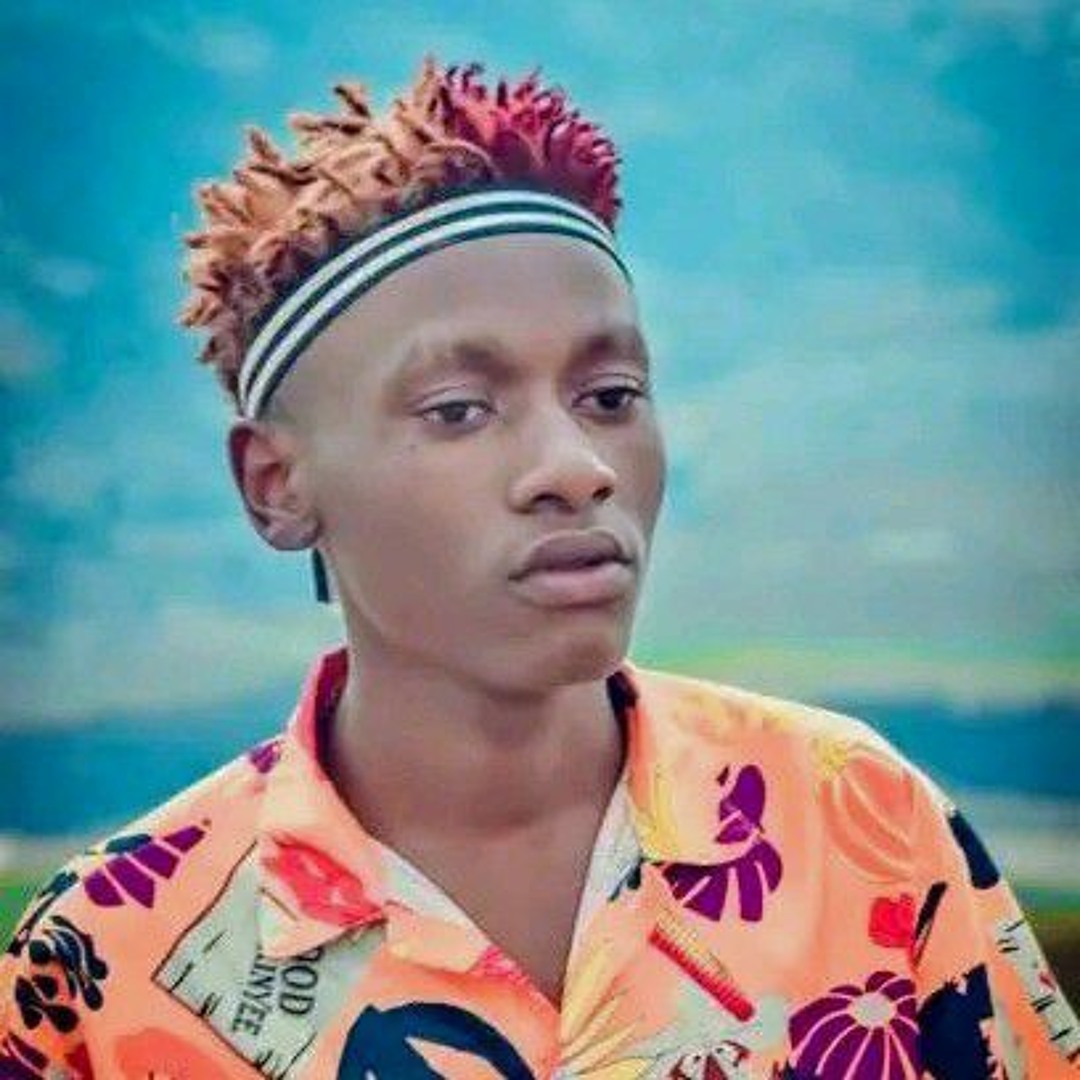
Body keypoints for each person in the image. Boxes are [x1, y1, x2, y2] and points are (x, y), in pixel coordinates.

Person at [1, 57, 1075, 1080]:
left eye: (610, 397)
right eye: (459, 411)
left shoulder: (861, 820)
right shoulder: (105, 965)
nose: (576, 467)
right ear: (276, 484)